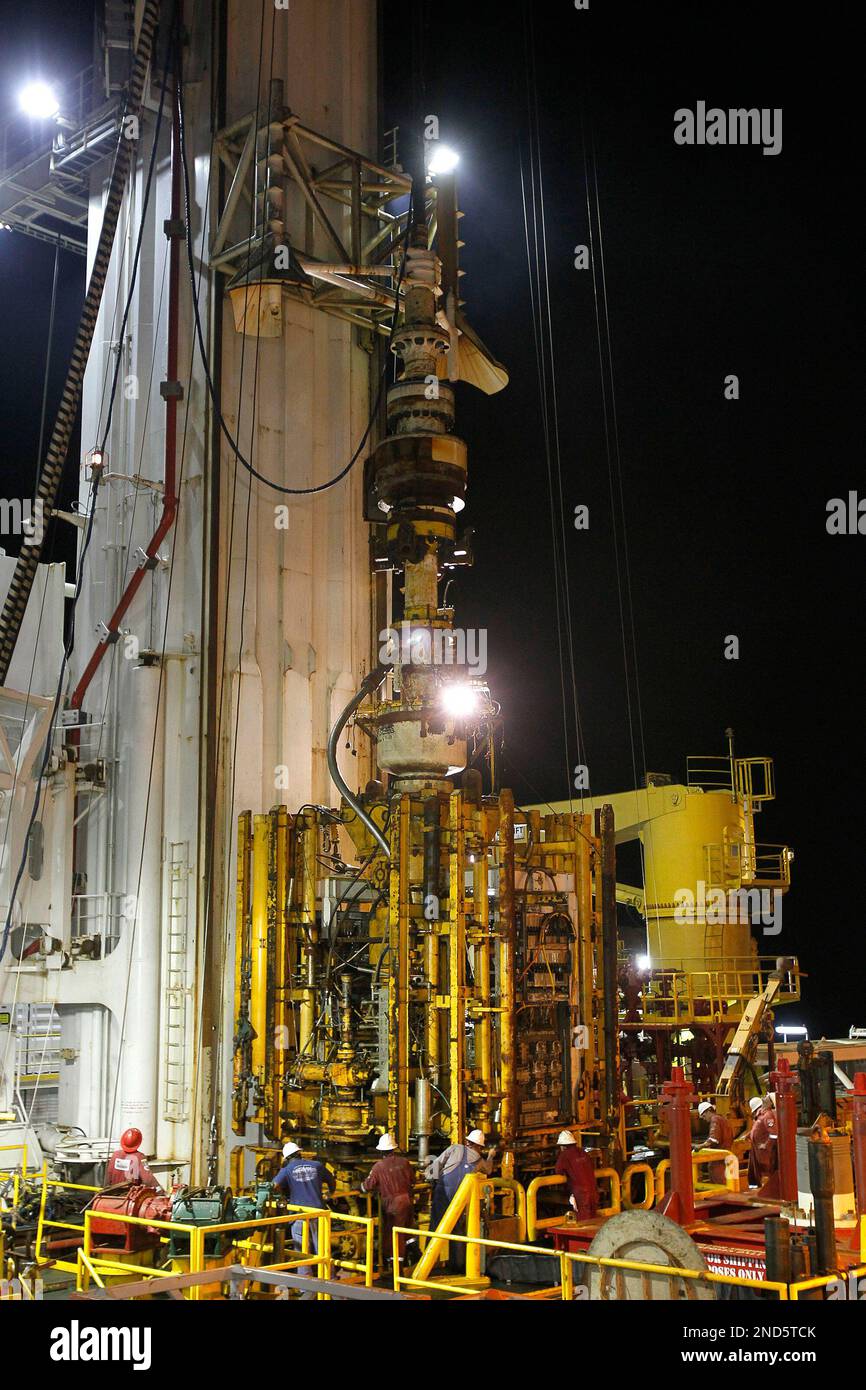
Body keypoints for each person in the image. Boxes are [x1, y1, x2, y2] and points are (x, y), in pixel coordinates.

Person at [424, 1128, 495, 1272]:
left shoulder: (455, 1148)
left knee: (435, 1228)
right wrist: (491, 1156)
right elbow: (489, 1170)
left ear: (467, 1141)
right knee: (457, 1231)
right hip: (460, 1197)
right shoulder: (480, 1161)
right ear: (480, 1147)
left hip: (443, 1193)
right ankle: (457, 1267)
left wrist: (431, 1179)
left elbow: (437, 1164)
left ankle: (428, 1266)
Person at [273, 1141, 336, 1288]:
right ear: (300, 1153)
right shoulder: (317, 1165)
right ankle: (331, 1282)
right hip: (319, 1213)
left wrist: (282, 1198)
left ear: (287, 1158)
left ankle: (306, 1287)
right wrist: (330, 1193)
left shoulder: (287, 1170)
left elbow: (273, 1186)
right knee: (323, 1249)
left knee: (302, 1252)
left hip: (299, 1214)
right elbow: (331, 1179)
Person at [362, 1133, 415, 1266]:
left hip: (392, 1204)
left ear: (381, 1151)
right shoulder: (404, 1162)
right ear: (394, 1148)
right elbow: (413, 1180)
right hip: (407, 1200)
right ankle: (415, 1253)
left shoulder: (378, 1166)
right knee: (407, 1229)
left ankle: (397, 1267)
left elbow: (368, 1186)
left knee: (394, 1233)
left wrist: (359, 1186)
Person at [554, 1130, 599, 1219]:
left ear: (563, 1146)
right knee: (594, 1218)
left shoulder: (565, 1155)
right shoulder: (583, 1152)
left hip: (581, 1194)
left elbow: (558, 1171)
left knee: (584, 1221)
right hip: (593, 1191)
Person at [747, 1095, 779, 1196]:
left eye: (767, 1097)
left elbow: (774, 1134)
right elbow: (758, 1129)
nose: (764, 1097)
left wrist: (766, 1145)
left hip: (765, 1154)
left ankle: (767, 1193)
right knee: (758, 1173)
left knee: (766, 1173)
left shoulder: (768, 1115)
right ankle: (761, 1191)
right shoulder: (762, 1116)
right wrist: (749, 1135)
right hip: (759, 1152)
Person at [696, 1100, 733, 1184]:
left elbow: (713, 1139)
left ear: (709, 1111)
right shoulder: (723, 1119)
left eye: (704, 1116)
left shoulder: (715, 1120)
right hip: (727, 1156)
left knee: (719, 1186)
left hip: (718, 1160)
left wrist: (700, 1146)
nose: (704, 1119)